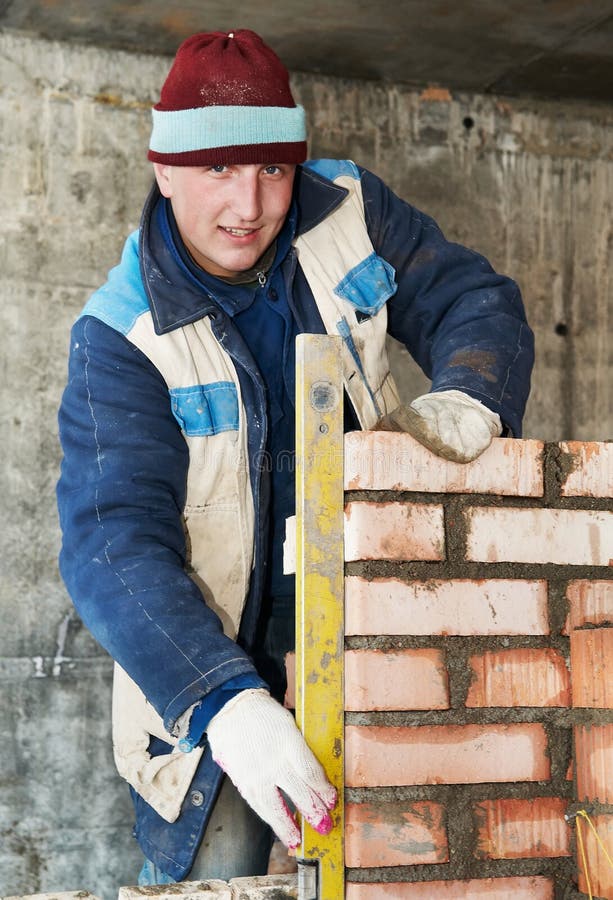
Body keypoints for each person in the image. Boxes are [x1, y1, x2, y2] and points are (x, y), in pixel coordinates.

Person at [56, 29, 534, 885]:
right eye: (217, 171)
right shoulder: (118, 337)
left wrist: (466, 398)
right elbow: (110, 543)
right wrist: (226, 703)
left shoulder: (347, 211)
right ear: (163, 170)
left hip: (376, 649)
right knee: (230, 876)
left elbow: (474, 301)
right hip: (212, 692)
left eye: (271, 169)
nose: (248, 205)